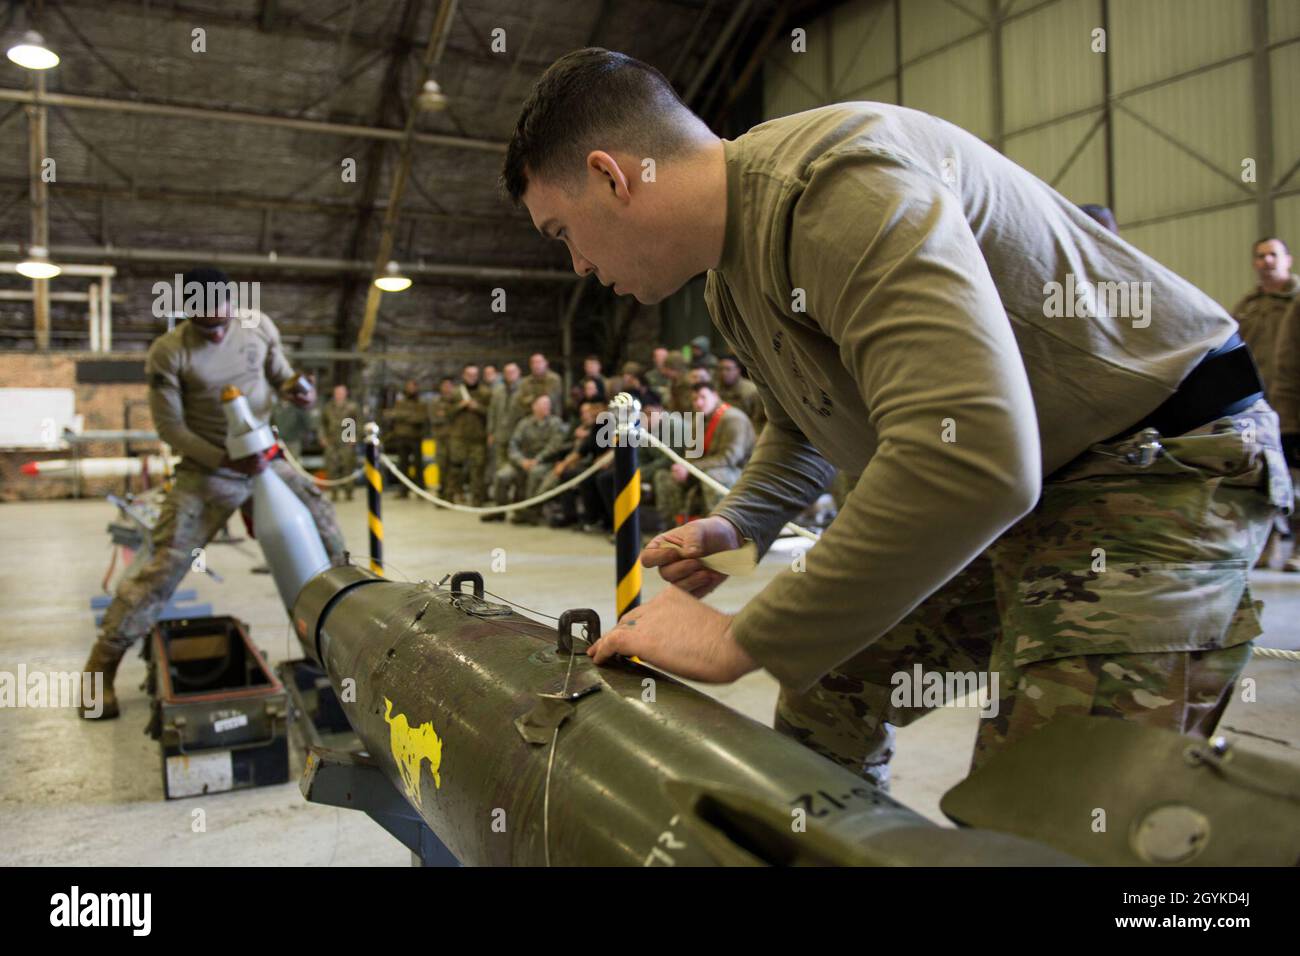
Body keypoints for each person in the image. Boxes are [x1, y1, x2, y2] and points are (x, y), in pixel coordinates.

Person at [503, 48, 1291, 785]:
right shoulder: (729, 277)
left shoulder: (838, 184)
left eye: (562, 233)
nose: (577, 266)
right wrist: (740, 527)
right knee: (827, 695)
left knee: (1053, 796)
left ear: (612, 177)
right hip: (1035, 483)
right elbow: (807, 424)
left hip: (1154, 466)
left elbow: (970, 456)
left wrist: (742, 637)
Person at [80, 267, 346, 719]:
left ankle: (344, 650)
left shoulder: (258, 327)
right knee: (162, 566)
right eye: (206, 323)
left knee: (327, 538)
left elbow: (281, 375)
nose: (217, 330)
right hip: (209, 470)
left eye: (223, 319)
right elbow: (170, 427)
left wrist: (298, 391)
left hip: (265, 457)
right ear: (187, 311)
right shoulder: (169, 353)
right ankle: (99, 671)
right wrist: (222, 461)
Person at [1231, 238, 1298, 570]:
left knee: (1298, 482)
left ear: (1288, 259)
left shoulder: (1296, 301)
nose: (1267, 261)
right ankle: (1267, 545)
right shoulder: (1246, 307)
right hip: (1259, 408)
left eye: (1274, 255)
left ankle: (1298, 549)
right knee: (1264, 478)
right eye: (1260, 256)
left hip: (1293, 406)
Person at [653, 381, 755, 526]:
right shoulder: (699, 419)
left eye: (703, 397)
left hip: (738, 472)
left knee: (714, 476)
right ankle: (672, 530)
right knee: (664, 476)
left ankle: (717, 530)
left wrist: (691, 469)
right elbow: (692, 453)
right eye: (695, 399)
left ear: (714, 395)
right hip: (705, 470)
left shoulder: (733, 418)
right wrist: (682, 467)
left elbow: (729, 458)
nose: (699, 403)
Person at [485, 394, 569, 524]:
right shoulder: (524, 424)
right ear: (534, 407)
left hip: (545, 462)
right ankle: (499, 510)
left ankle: (529, 512)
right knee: (502, 476)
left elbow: (554, 446)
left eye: (548, 405)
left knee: (535, 473)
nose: (547, 407)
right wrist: (521, 460)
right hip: (522, 461)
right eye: (543, 405)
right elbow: (513, 445)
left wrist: (537, 460)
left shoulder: (555, 423)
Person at [445, 363, 491, 505]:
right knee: (455, 468)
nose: (472, 377)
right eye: (469, 374)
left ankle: (477, 499)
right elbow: (446, 413)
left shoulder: (485, 392)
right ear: (464, 375)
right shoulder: (455, 393)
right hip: (458, 437)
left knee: (478, 469)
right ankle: (449, 497)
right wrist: (460, 406)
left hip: (478, 438)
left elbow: (491, 413)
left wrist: (478, 407)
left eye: (474, 375)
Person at [383, 379, 429, 498]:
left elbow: (420, 418)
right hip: (401, 437)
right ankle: (403, 490)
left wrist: (403, 416)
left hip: (415, 437)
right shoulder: (400, 402)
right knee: (403, 465)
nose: (410, 389)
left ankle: (420, 490)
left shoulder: (421, 403)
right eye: (408, 386)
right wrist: (407, 415)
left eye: (413, 386)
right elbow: (392, 415)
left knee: (418, 465)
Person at [319, 383, 361, 502]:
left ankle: (349, 492)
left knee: (348, 466)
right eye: (337, 393)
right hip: (332, 441)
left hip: (346, 440)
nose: (339, 395)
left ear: (345, 393)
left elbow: (358, 423)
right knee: (332, 468)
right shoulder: (328, 407)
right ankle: (334, 492)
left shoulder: (352, 407)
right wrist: (323, 437)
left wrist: (354, 437)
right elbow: (322, 424)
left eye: (341, 392)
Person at [487, 361, 523, 487]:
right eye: (507, 372)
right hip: (500, 435)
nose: (510, 375)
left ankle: (518, 498)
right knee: (499, 468)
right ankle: (501, 499)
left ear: (519, 373)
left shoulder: (524, 390)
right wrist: (490, 432)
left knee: (517, 468)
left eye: (513, 372)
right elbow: (492, 412)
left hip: (518, 436)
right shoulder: (498, 391)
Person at [716, 354, 765, 431]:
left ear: (738, 370)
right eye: (721, 369)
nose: (724, 373)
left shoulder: (751, 391)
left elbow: (759, 422)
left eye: (728, 369)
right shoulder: (715, 390)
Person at [428, 377, 458, 497]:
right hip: (440, 438)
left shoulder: (456, 400)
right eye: (444, 385)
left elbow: (458, 418)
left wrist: (447, 412)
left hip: (455, 438)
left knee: (454, 466)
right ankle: (442, 492)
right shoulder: (435, 401)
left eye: (449, 385)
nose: (447, 388)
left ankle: (451, 493)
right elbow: (434, 418)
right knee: (442, 465)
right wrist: (450, 413)